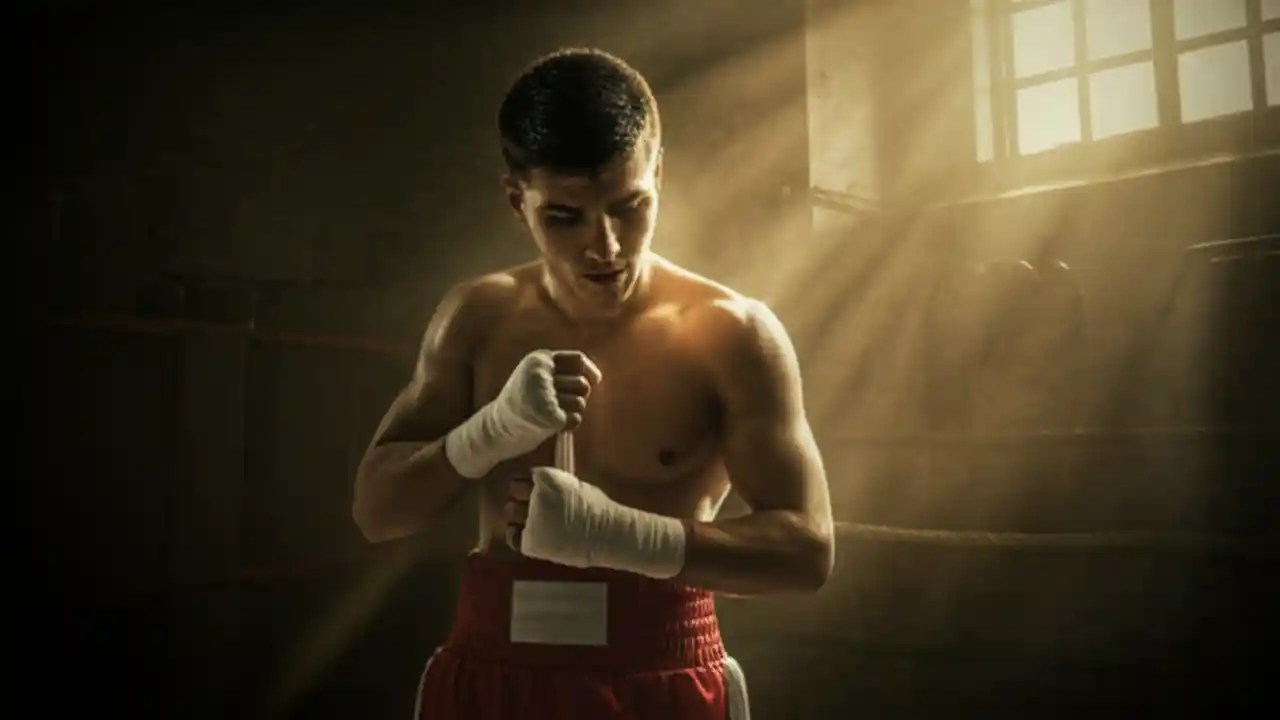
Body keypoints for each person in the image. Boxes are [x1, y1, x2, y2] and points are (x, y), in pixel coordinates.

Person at [353, 47, 834, 720]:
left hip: (661, 673)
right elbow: (377, 512)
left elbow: (806, 553)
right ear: (516, 199)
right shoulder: (478, 317)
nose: (604, 245)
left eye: (629, 206)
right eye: (564, 216)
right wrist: (486, 434)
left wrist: (615, 535)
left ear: (659, 173)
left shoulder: (733, 333)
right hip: (497, 667)